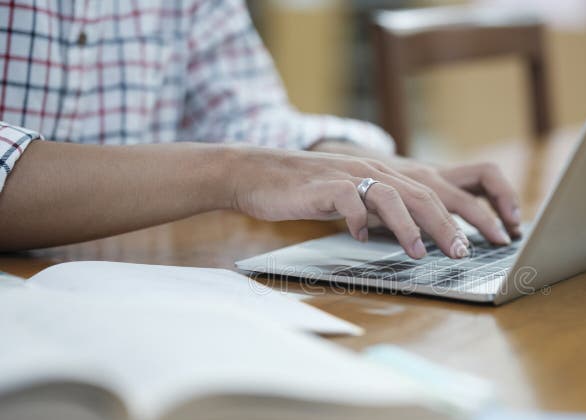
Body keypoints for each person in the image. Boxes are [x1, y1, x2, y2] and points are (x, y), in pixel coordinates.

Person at [0, 0, 521, 259]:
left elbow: (243, 113)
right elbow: (240, 158)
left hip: (139, 287)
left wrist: (346, 167)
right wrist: (232, 171)